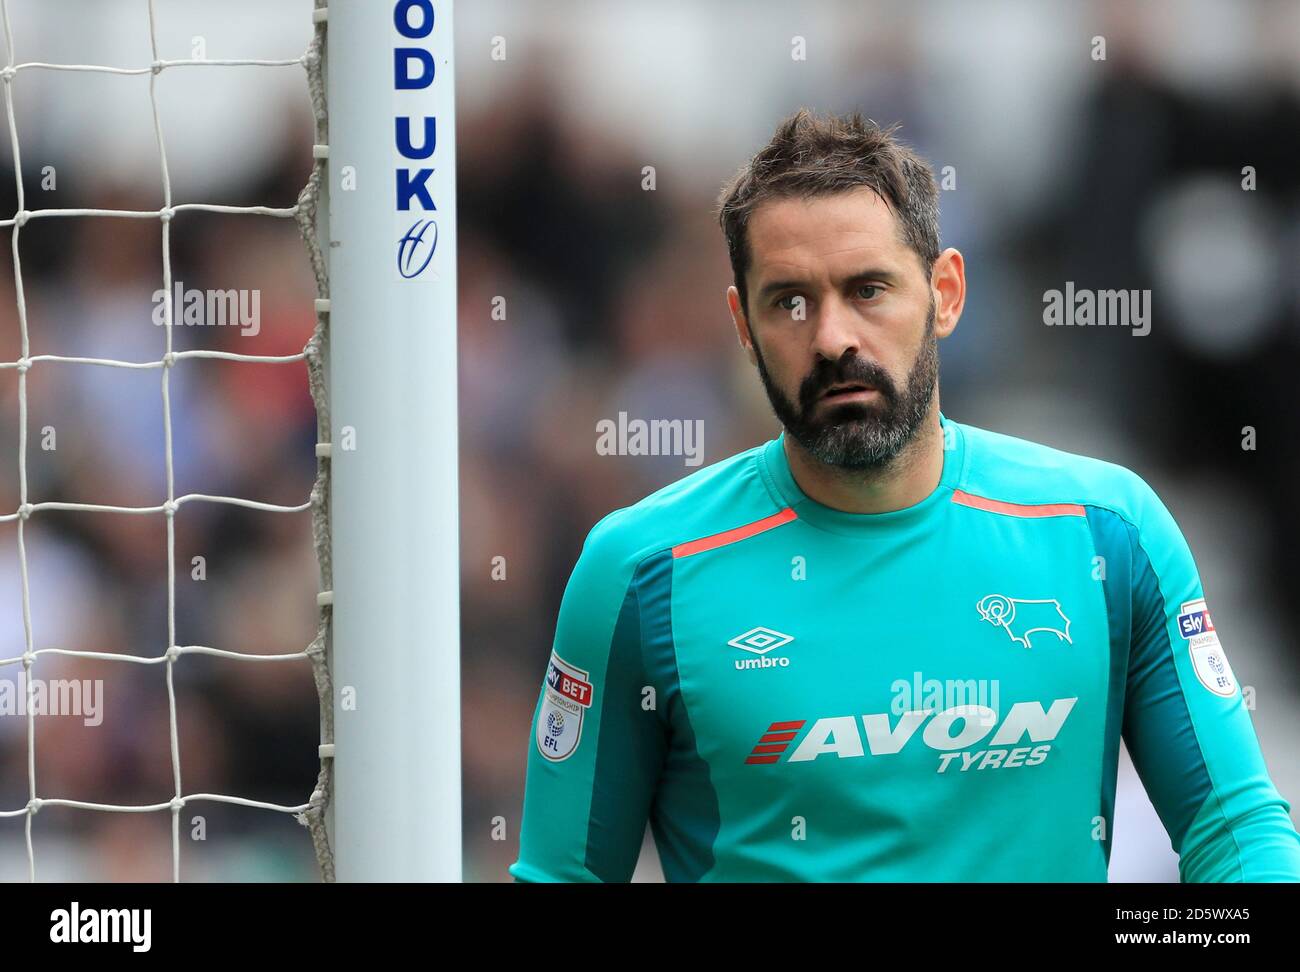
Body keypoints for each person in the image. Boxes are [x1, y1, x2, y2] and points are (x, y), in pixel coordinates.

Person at [509, 109, 1300, 882]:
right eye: (790, 301)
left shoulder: (1105, 535)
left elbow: (1237, 833)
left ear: (946, 293)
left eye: (868, 289)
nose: (832, 338)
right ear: (741, 325)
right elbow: (561, 873)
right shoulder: (642, 572)